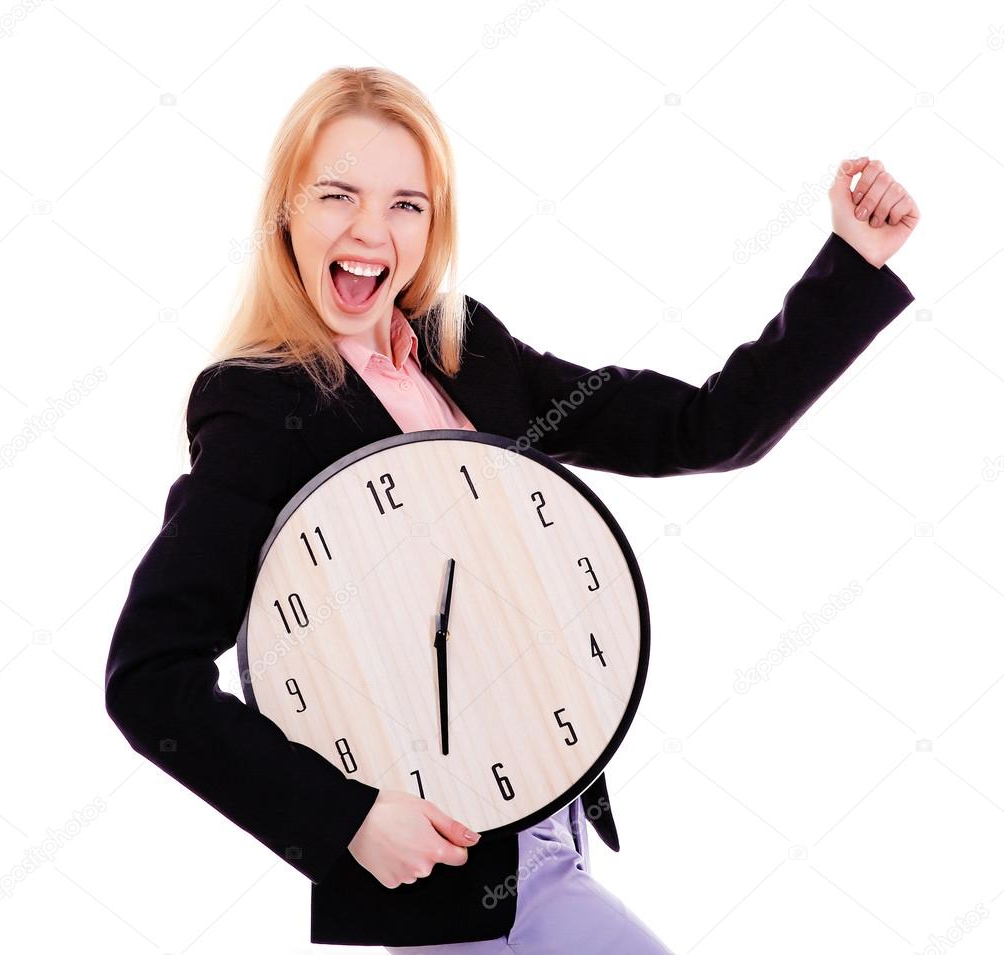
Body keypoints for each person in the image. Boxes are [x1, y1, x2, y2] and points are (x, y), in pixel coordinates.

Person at [104, 66, 919, 952]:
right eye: (338, 194)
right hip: (453, 887)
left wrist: (852, 263)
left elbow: (703, 426)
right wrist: (346, 820)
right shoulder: (260, 406)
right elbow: (151, 676)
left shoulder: (464, 349)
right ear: (287, 212)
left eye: (407, 204)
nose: (372, 231)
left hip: (549, 834)